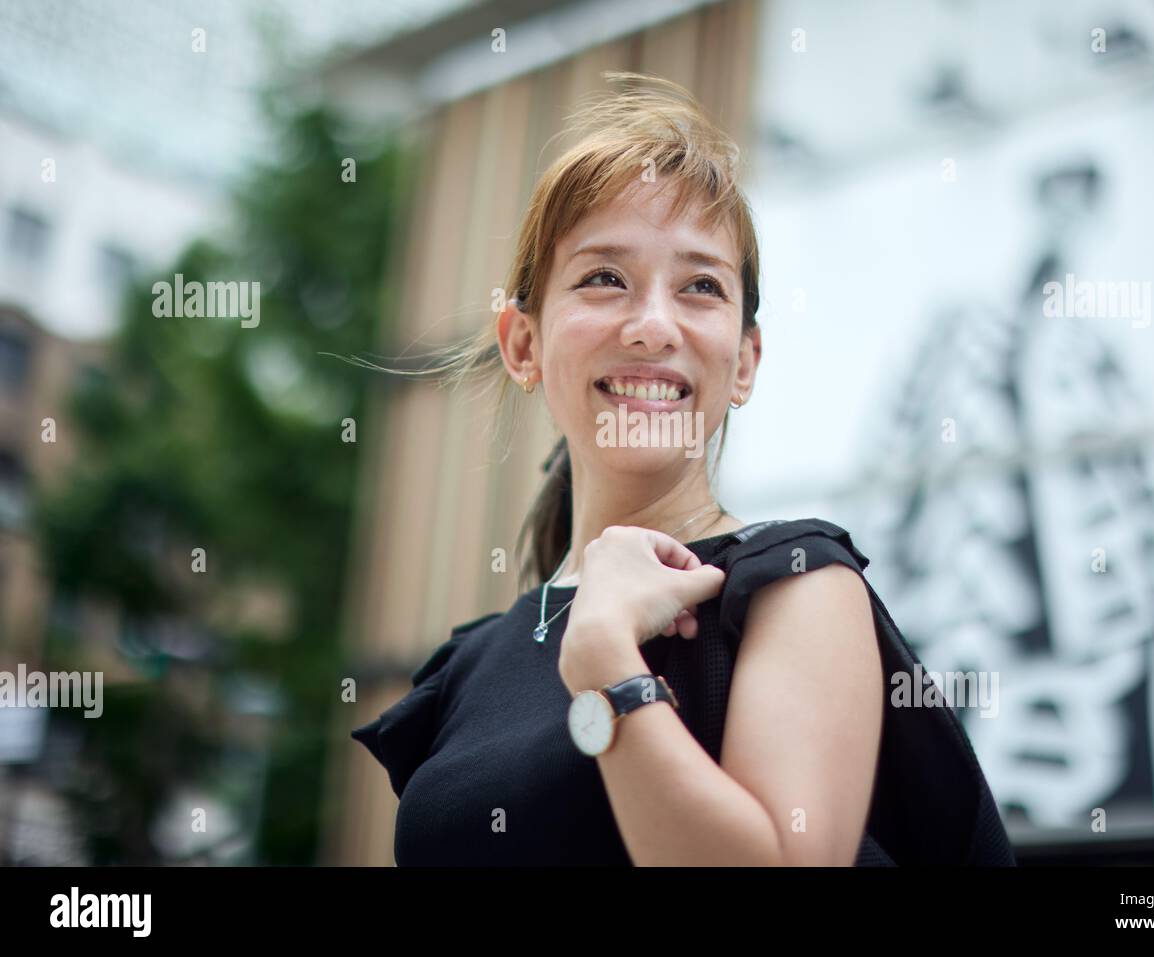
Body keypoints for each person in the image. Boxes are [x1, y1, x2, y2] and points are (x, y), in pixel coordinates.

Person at [351, 72, 1014, 867]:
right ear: (522, 344)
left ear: (744, 359)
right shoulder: (470, 664)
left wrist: (604, 660)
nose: (653, 325)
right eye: (605, 277)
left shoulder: (794, 589)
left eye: (700, 286)